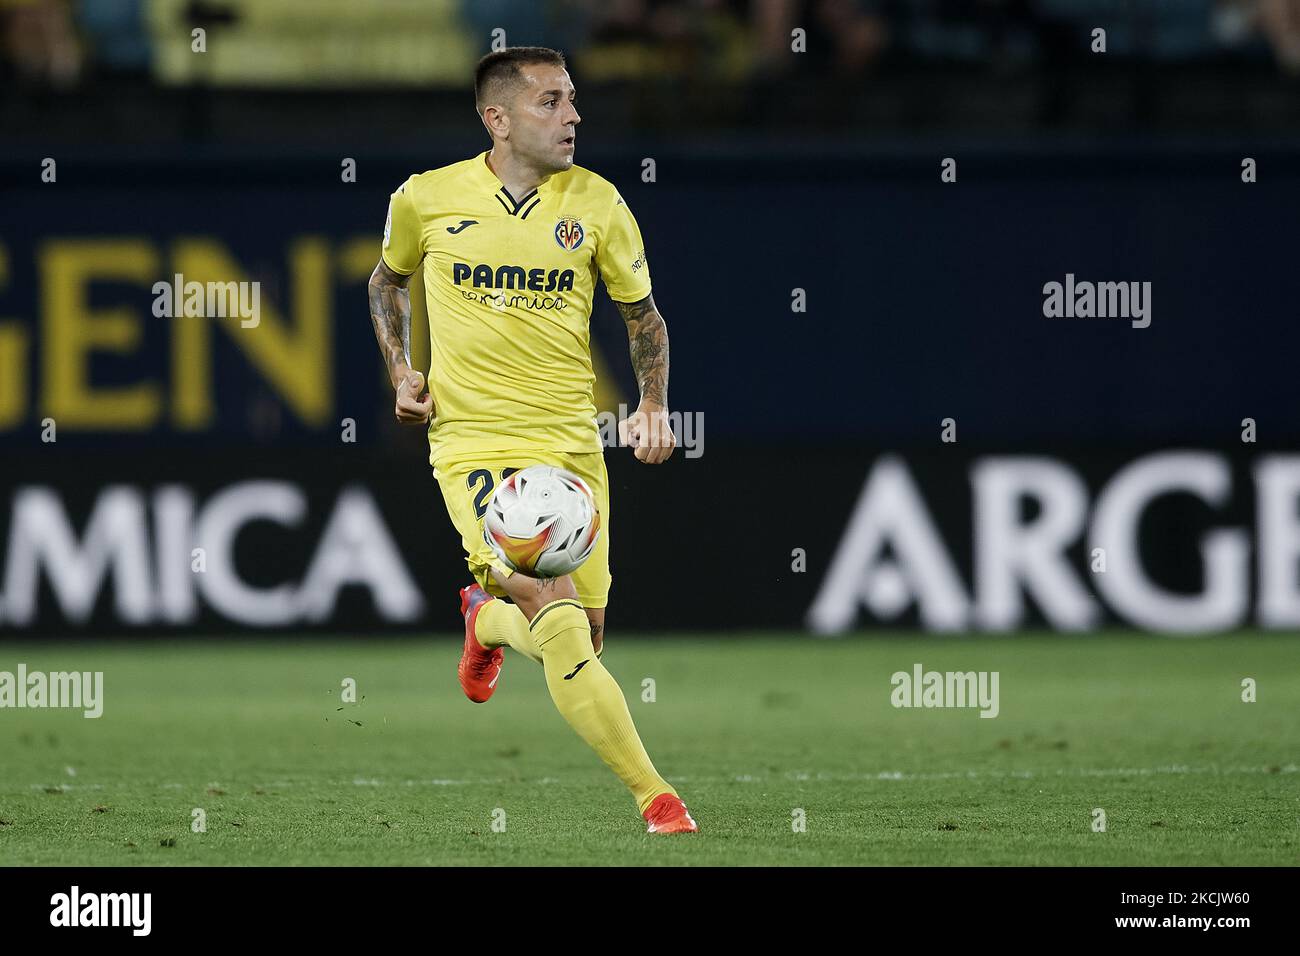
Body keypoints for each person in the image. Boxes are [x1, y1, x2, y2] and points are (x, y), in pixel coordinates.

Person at [367, 46, 696, 834]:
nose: (574, 116)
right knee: (553, 612)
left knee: (581, 633)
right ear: (498, 118)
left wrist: (652, 405)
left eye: (573, 100)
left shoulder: (601, 205)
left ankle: (483, 621)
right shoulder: (426, 198)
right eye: (552, 102)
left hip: (570, 443)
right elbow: (387, 281)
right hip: (475, 444)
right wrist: (402, 374)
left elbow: (642, 318)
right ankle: (659, 798)